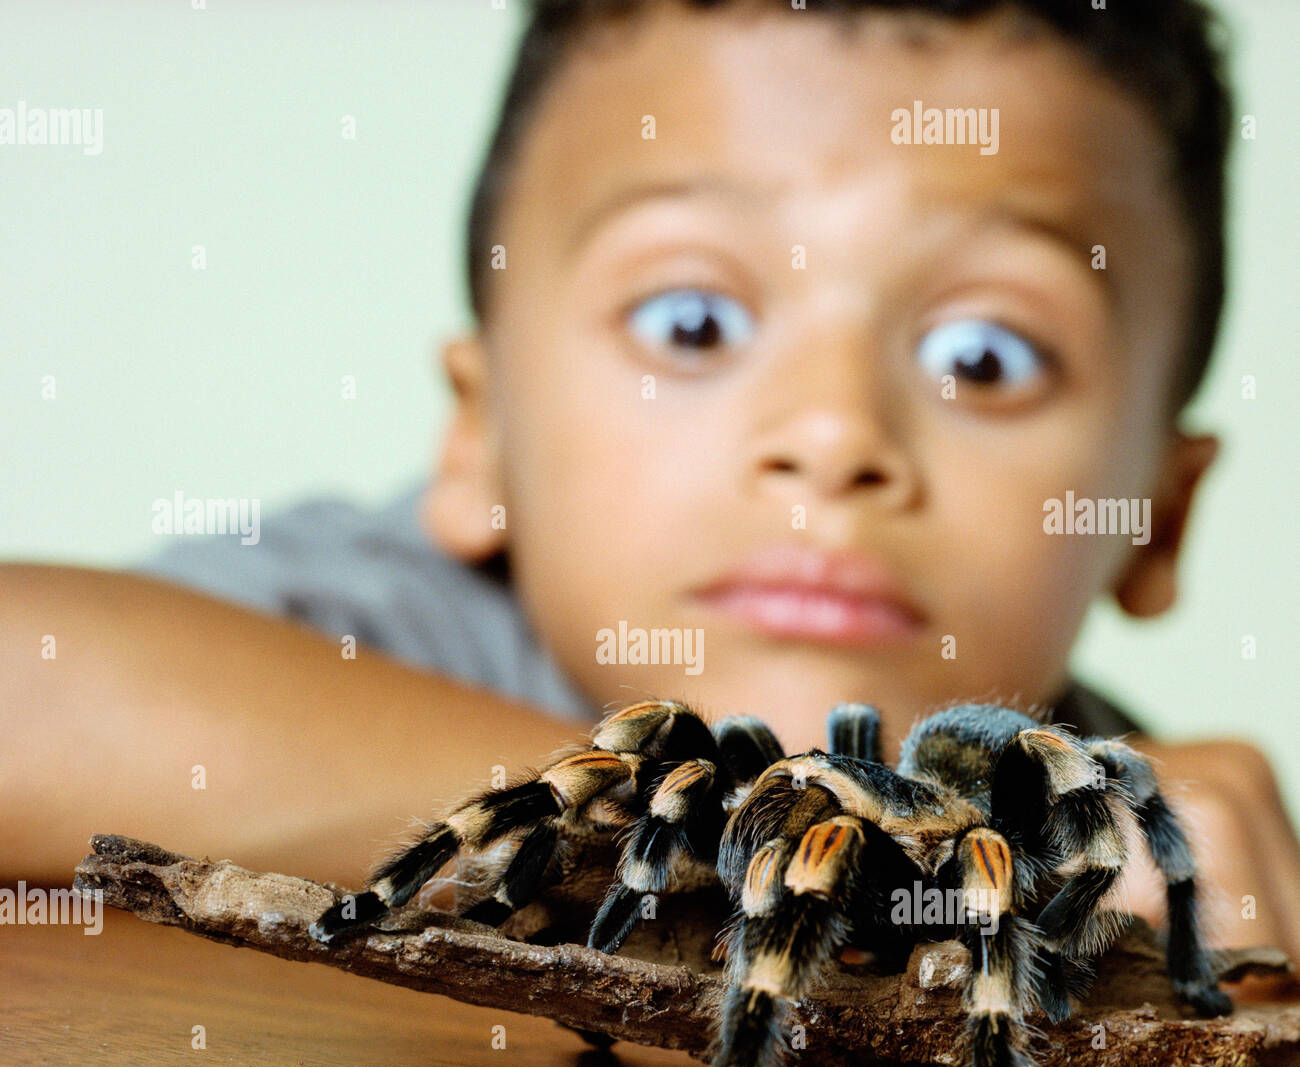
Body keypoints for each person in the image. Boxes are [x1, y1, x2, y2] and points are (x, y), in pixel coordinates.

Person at [5, 0, 1296, 962]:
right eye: (692, 324)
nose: (834, 435)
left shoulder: (1092, 808)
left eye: (985, 356)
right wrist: (734, 834)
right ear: (483, 440)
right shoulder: (388, 620)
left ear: (1155, 515)